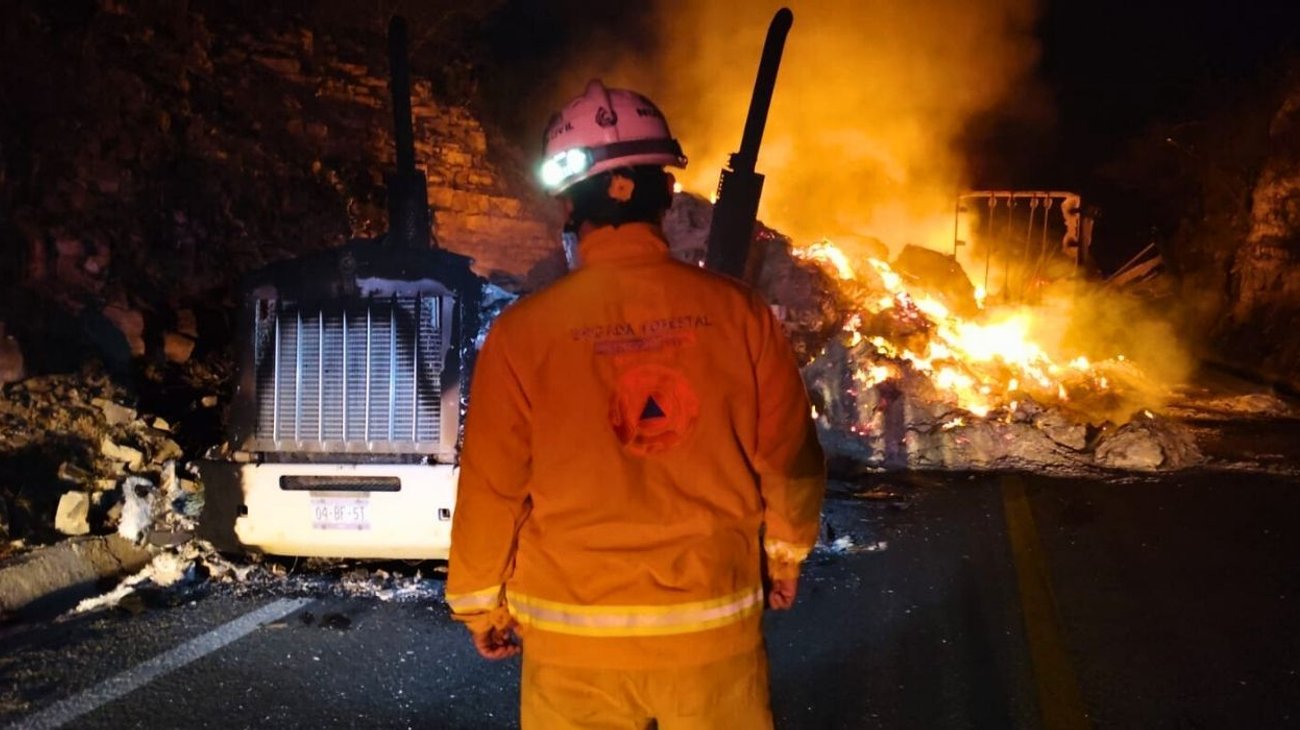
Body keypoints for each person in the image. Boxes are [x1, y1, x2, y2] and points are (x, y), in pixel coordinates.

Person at [446, 79, 826, 729]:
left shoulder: (522, 335)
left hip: (572, 648)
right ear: (667, 192)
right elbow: (788, 456)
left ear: (569, 206)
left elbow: (492, 485)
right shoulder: (739, 314)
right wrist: (784, 555)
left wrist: (479, 605)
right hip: (713, 635)